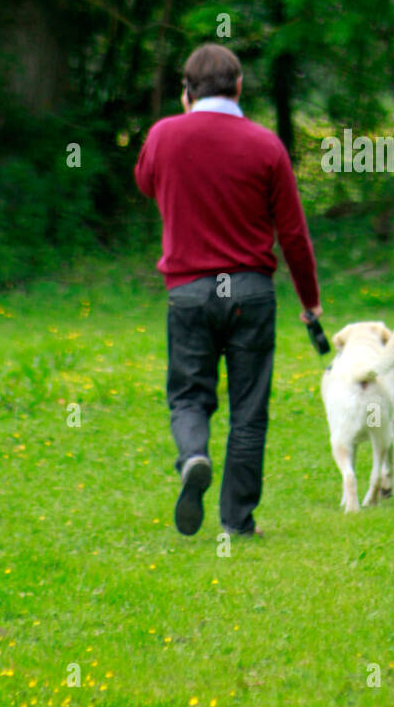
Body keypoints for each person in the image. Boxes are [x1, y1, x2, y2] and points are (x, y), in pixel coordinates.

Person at [134, 43, 321, 538]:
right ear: (239, 87)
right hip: (250, 291)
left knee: (189, 396)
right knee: (249, 410)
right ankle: (237, 522)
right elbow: (294, 233)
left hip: (190, 291)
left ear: (186, 92)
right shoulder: (265, 145)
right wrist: (309, 300)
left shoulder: (164, 135)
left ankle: (194, 454)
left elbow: (146, 183)